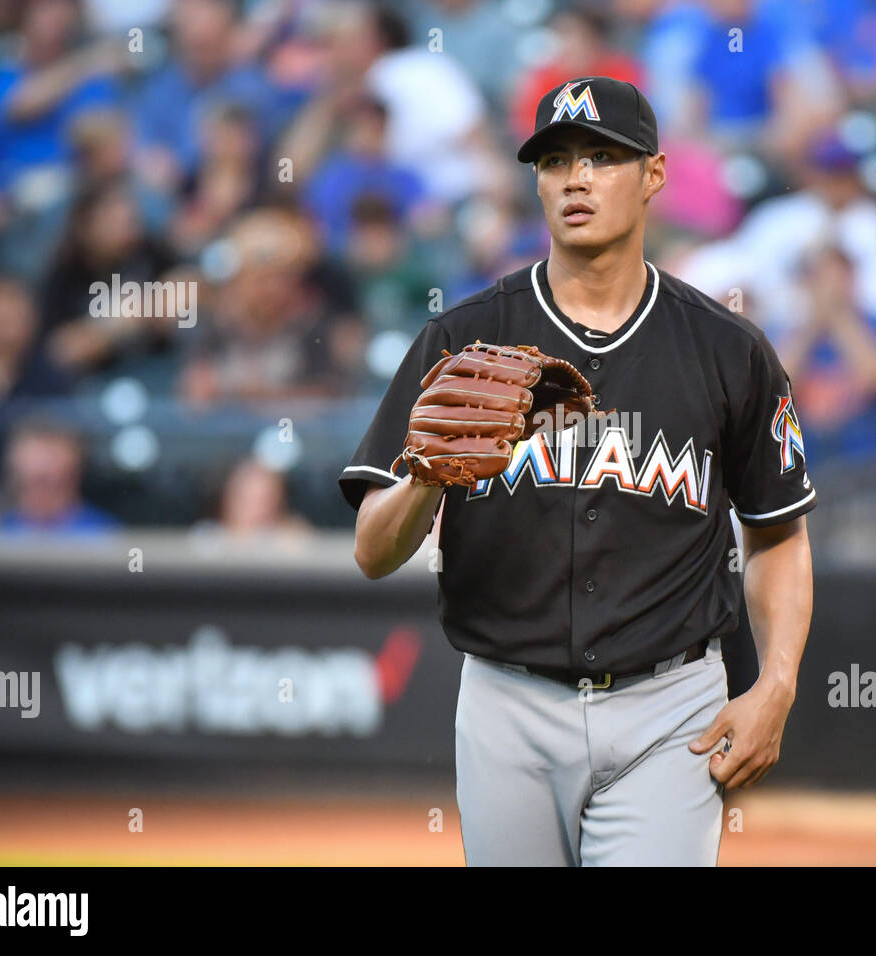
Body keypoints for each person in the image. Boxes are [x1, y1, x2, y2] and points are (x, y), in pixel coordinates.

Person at [339, 76, 816, 866]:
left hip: (671, 708)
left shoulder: (728, 350)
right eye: (556, 161)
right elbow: (372, 552)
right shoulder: (463, 340)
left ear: (653, 175)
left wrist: (779, 682)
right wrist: (426, 475)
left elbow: (778, 534)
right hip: (507, 705)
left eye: (603, 156)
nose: (577, 178)